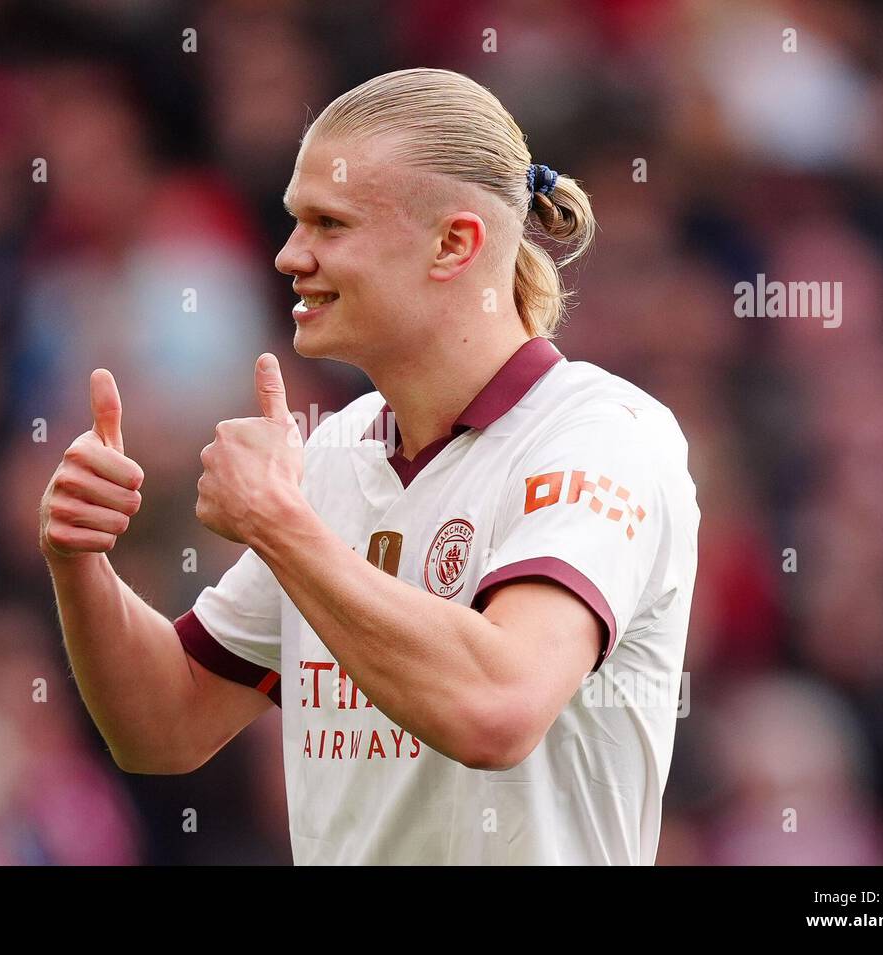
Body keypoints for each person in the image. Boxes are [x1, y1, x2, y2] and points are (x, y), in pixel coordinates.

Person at [38, 68, 700, 864]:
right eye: (294, 222)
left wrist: (280, 526)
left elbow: (497, 708)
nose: (289, 255)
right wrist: (80, 560)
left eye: (330, 224)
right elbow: (164, 726)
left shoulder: (604, 438)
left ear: (455, 243)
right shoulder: (335, 453)